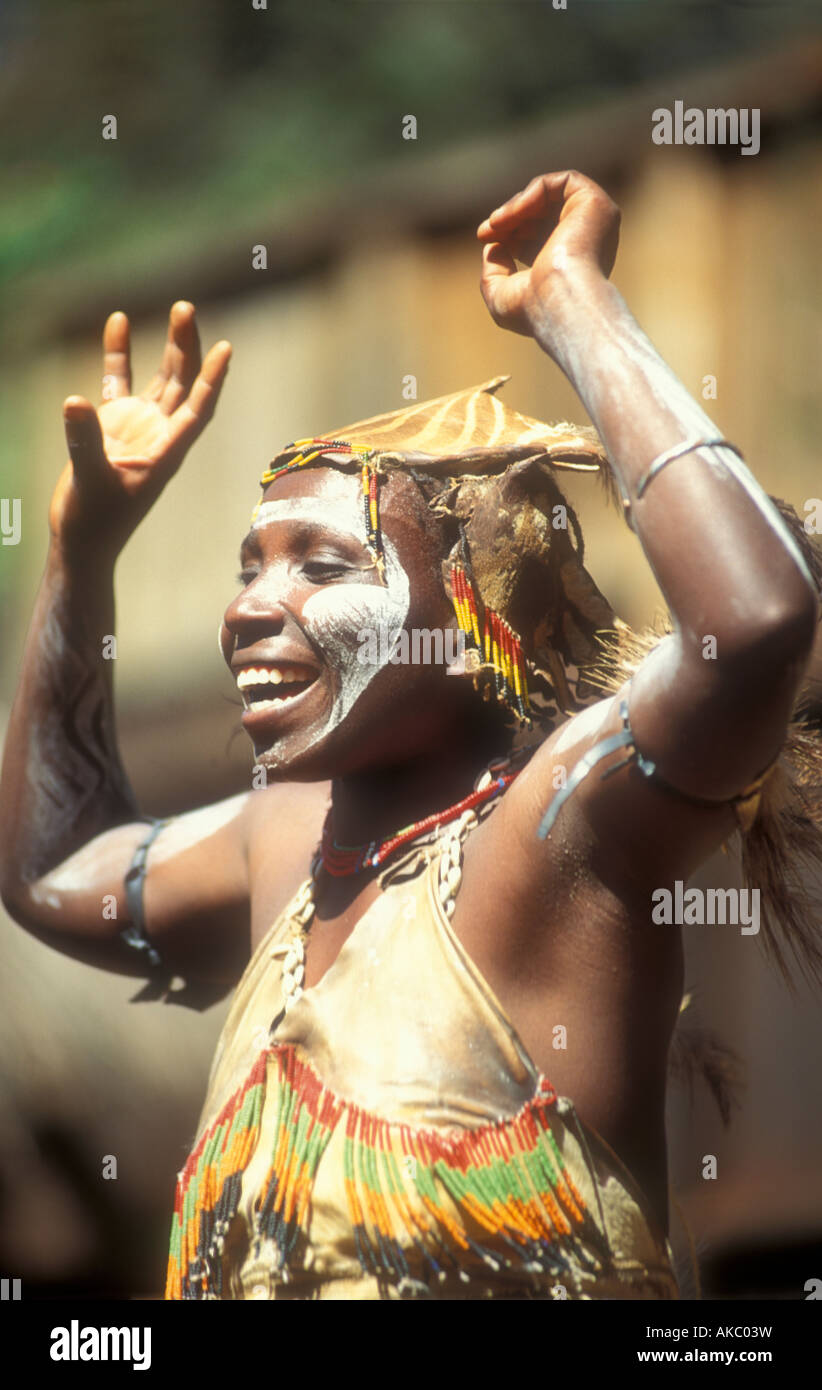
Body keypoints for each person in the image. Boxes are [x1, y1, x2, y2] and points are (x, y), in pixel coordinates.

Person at [2, 171, 820, 1301]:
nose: (249, 608)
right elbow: (51, 870)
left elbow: (757, 623)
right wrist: (81, 549)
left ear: (474, 611)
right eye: (250, 568)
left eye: (323, 565)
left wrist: (574, 304)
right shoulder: (279, 844)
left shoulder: (557, 834)